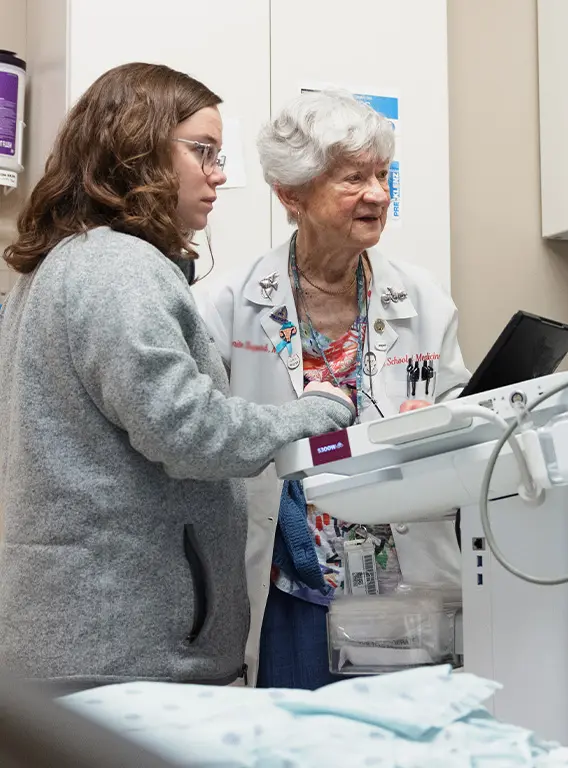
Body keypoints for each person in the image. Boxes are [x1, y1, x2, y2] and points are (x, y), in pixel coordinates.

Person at [0, 64, 354, 693]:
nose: (219, 174)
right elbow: (188, 431)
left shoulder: (63, 263)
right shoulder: (117, 268)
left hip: (87, 639)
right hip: (126, 648)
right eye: (204, 152)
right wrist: (314, 408)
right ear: (136, 146)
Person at [193, 89, 471, 689]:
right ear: (292, 194)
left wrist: (441, 422)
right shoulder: (228, 304)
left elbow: (462, 421)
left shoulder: (421, 298)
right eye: (353, 178)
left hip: (406, 584)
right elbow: (202, 436)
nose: (376, 193)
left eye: (381, 174)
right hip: (287, 582)